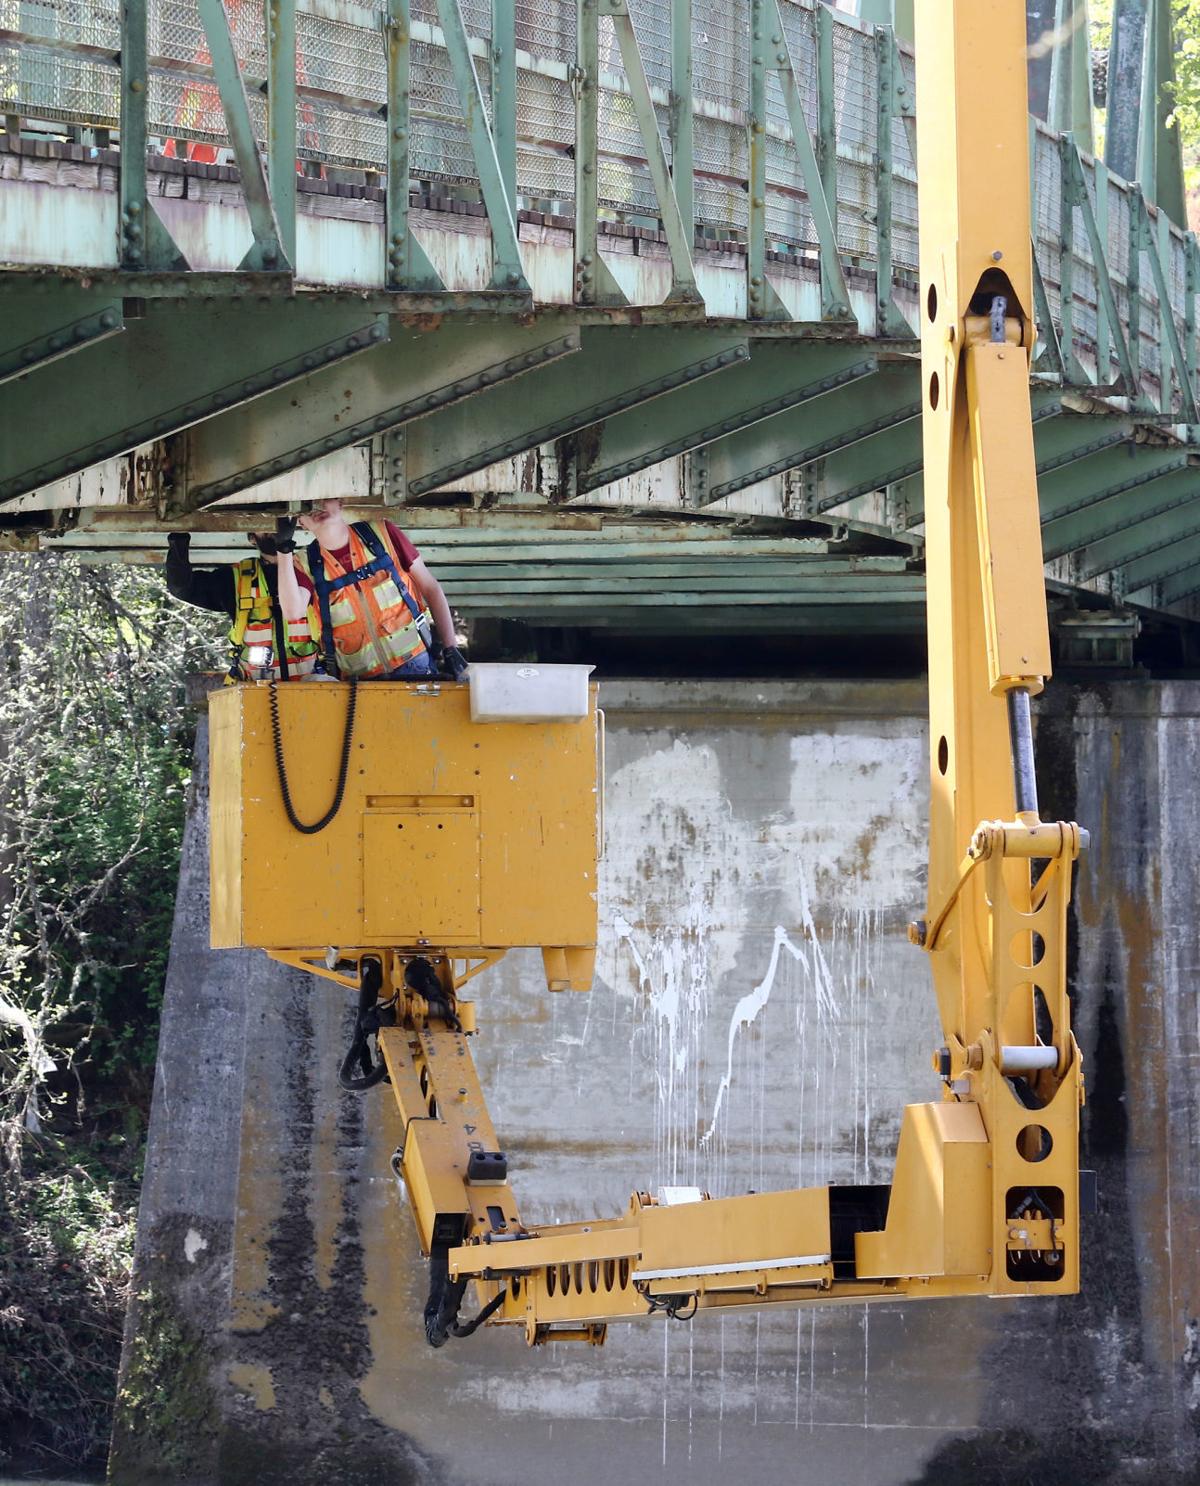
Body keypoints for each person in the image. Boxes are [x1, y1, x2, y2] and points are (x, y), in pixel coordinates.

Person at [296, 500, 468, 682]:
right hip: (358, 683)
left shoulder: (382, 534)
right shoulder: (303, 564)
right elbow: (293, 611)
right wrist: (282, 550)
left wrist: (451, 648)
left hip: (416, 667)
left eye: (323, 499)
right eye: (307, 505)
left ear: (340, 503)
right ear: (301, 522)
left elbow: (430, 587)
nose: (316, 507)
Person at [165, 522, 321, 682]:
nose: (273, 530)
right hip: (257, 694)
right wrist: (179, 537)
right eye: (265, 525)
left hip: (311, 691)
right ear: (252, 538)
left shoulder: (312, 569)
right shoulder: (234, 579)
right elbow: (181, 587)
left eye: (278, 524)